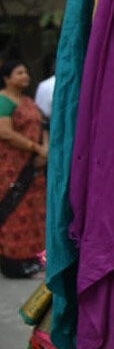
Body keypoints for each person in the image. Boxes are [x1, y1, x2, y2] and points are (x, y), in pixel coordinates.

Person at [0, 59, 48, 279]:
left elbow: (43, 126)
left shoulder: (29, 101)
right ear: (7, 78)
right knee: (14, 215)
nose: (25, 76)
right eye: (19, 73)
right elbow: (5, 133)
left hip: (34, 167)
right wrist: (35, 147)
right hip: (12, 169)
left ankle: (34, 262)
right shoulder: (3, 101)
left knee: (35, 214)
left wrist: (45, 151)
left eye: (26, 72)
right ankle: (14, 266)